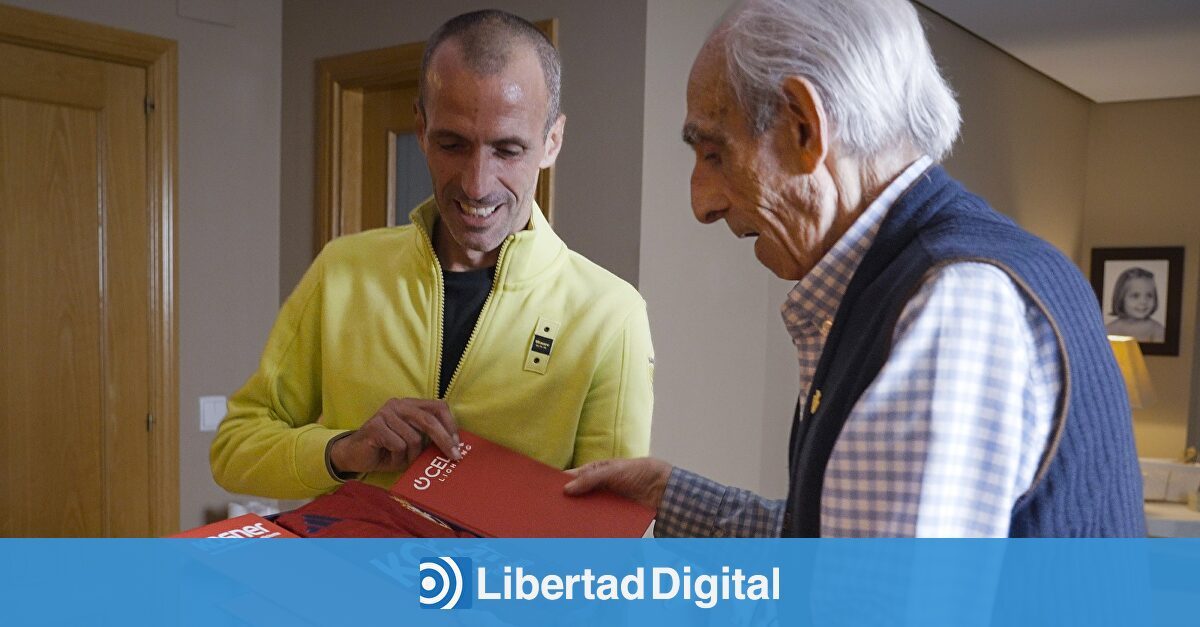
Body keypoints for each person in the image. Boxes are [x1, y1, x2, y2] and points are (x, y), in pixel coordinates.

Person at [565, 0, 1144, 537]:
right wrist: (668, 494)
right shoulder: (955, 274)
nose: (702, 203)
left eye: (715, 154)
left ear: (804, 126)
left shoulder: (950, 306)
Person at [212, 10, 654, 499]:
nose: (476, 184)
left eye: (507, 150)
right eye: (452, 144)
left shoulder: (610, 314)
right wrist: (343, 450)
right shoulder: (342, 272)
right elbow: (235, 447)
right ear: (421, 130)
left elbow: (613, 530)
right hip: (351, 574)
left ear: (552, 142)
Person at [1106, 267, 1165, 343]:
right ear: (1121, 298)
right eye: (1135, 296)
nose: (1143, 301)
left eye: (1149, 295)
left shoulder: (1157, 330)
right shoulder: (1110, 329)